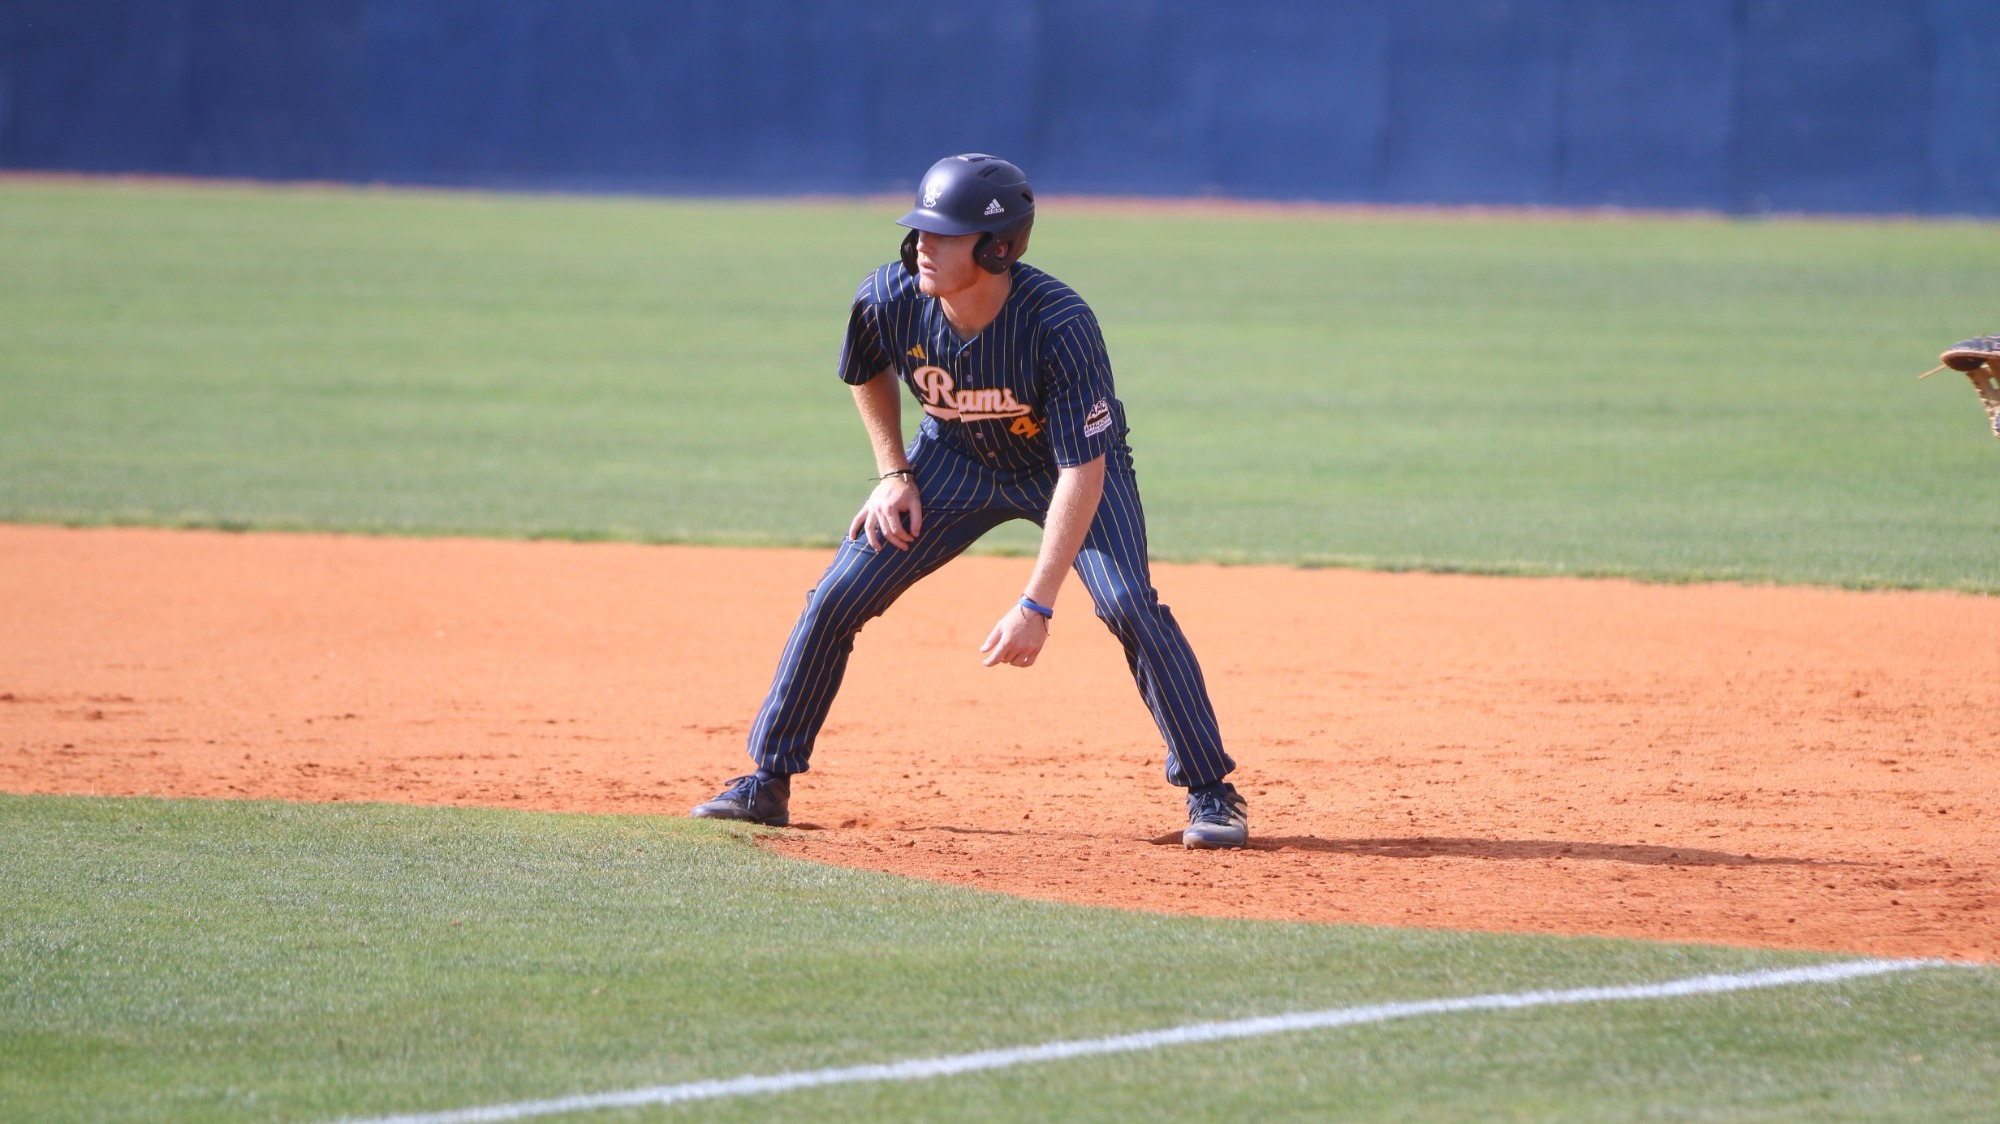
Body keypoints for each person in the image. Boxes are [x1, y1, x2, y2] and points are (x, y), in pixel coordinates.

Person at [691, 153, 1247, 849]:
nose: (923, 244)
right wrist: (892, 473)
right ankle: (767, 782)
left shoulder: (1059, 323)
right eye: (919, 229)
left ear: (998, 246)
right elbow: (865, 371)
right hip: (950, 462)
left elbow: (1081, 470)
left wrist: (1036, 604)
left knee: (1128, 603)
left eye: (945, 233)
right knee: (836, 595)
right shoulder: (887, 297)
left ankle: (1211, 792)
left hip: (1062, 471)